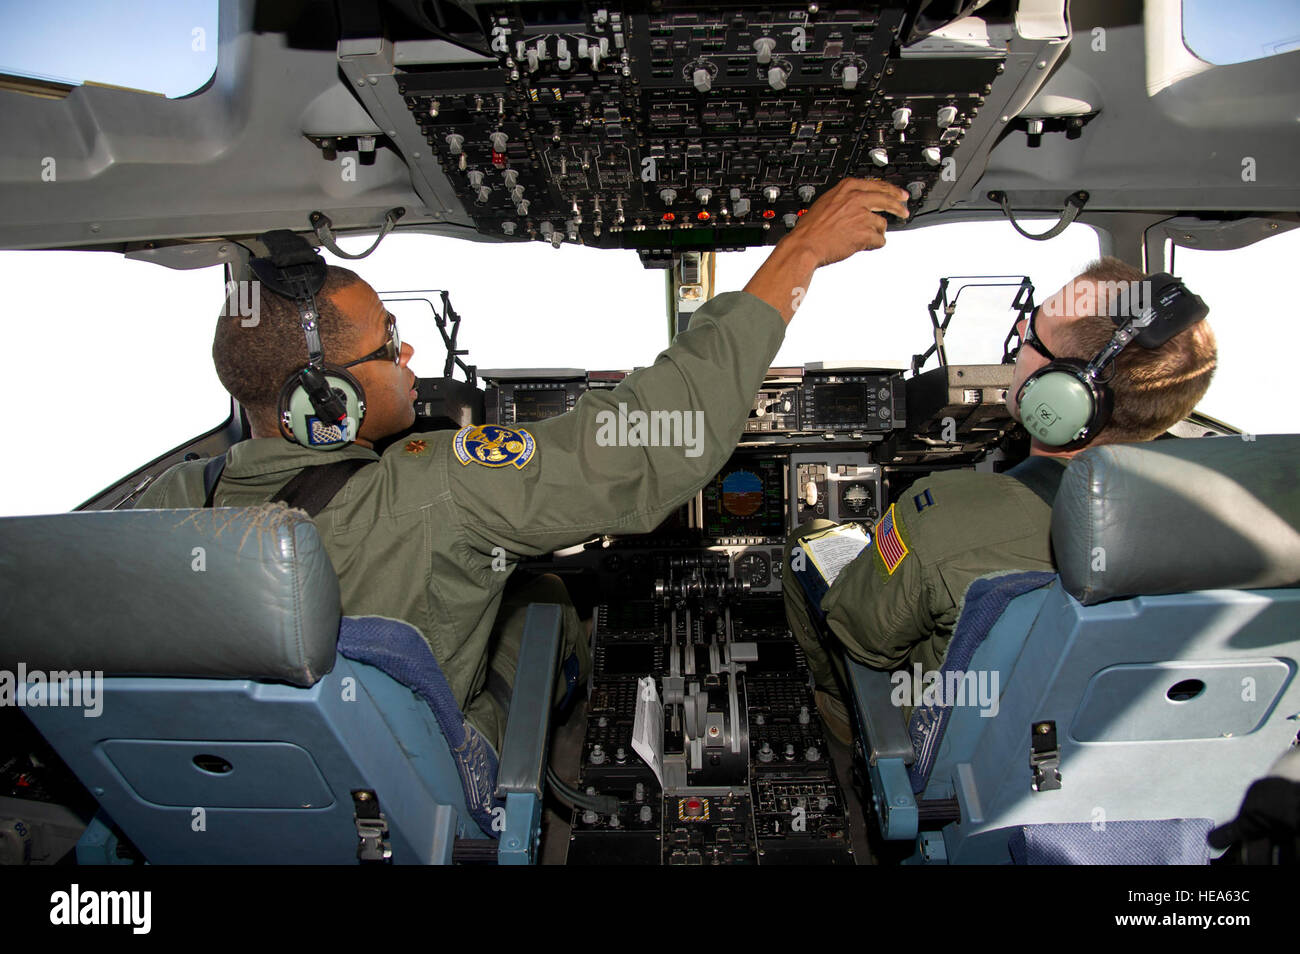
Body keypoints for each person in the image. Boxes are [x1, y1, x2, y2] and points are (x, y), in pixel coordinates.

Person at [137, 177, 913, 750]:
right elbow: (652, 440)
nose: (408, 352)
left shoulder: (162, 505)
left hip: (251, 771)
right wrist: (800, 251)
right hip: (418, 769)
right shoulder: (436, 484)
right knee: (541, 596)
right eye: (387, 341)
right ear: (323, 400)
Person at [783, 257, 1219, 741]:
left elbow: (862, 639)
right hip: (1085, 747)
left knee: (812, 540)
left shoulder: (942, 512)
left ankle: (842, 722)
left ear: (1065, 393)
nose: (1018, 328)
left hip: (950, 746)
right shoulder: (1226, 527)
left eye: (1032, 332)